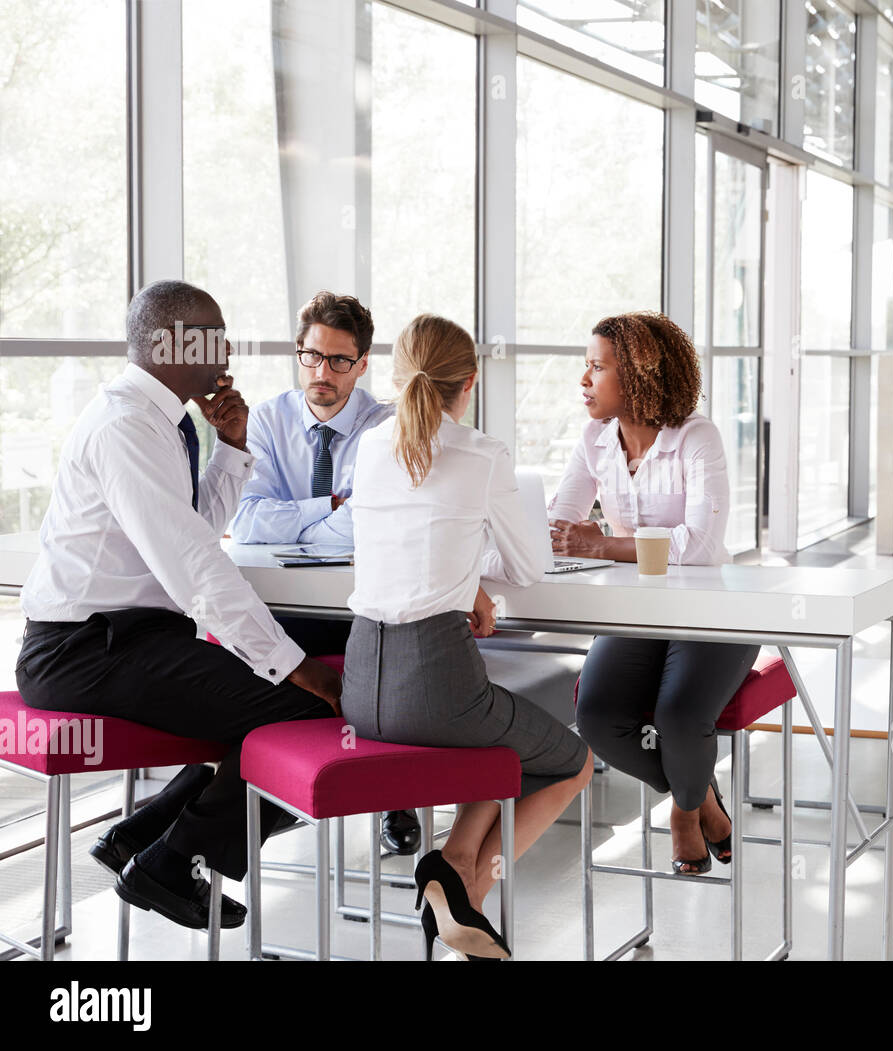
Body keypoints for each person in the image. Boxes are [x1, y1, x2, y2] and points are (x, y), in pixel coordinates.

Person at [15, 279, 341, 931]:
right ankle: (170, 859)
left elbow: (196, 527)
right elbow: (194, 565)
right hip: (87, 650)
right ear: (171, 343)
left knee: (271, 711)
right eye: (213, 334)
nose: (227, 347)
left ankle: (143, 838)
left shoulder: (161, 421)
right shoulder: (127, 426)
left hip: (127, 641)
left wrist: (233, 447)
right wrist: (289, 661)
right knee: (308, 707)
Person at [342, 313, 593, 960]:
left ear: (397, 378)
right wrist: (475, 576)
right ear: (470, 383)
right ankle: (468, 888)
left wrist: (462, 579)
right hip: (436, 688)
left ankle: (454, 867)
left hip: (361, 686)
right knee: (570, 760)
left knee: (502, 735)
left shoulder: (368, 447)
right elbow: (528, 568)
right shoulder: (482, 455)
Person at [228, 290, 444, 855]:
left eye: (338, 361)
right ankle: (273, 788)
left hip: (365, 608)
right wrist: (328, 507)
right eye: (311, 356)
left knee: (388, 659)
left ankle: (390, 792)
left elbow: (369, 527)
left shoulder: (389, 424)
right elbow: (246, 522)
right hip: (285, 607)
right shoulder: (269, 419)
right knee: (249, 666)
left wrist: (303, 519)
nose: (321, 373)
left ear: (362, 364)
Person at [548, 311, 758, 875]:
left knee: (679, 714)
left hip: (714, 614)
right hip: (638, 613)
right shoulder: (594, 440)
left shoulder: (697, 437)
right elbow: (559, 525)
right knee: (595, 715)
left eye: (598, 367)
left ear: (638, 375)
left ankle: (683, 815)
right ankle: (700, 795)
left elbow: (700, 544)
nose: (584, 380)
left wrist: (604, 545)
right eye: (585, 366)